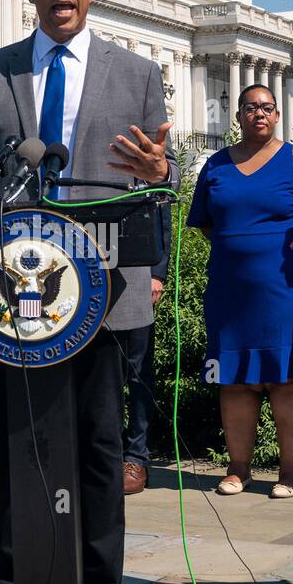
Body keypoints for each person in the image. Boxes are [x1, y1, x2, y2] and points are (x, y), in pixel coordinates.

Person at [0, 0, 175, 584]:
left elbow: (166, 175)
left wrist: (160, 172)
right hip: (18, 293)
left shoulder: (137, 73)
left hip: (103, 289)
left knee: (99, 444)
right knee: (17, 444)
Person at [188, 84, 293, 499]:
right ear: (236, 116)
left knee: (289, 380)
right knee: (235, 381)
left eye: (267, 108)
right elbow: (205, 221)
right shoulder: (216, 166)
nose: (259, 114)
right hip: (229, 290)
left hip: (287, 289)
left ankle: (291, 472)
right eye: (250, 107)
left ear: (278, 116)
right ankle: (238, 468)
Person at [113, 201, 172, 495]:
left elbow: (160, 212)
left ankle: (137, 458)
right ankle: (107, 454)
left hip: (138, 273)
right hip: (93, 272)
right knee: (103, 374)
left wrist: (158, 272)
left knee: (139, 374)